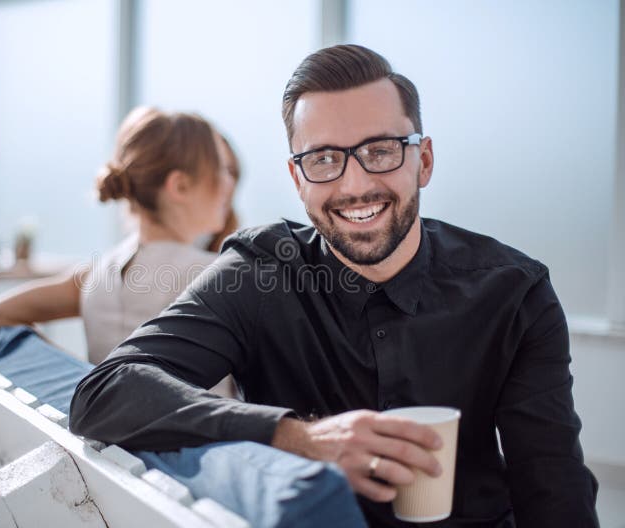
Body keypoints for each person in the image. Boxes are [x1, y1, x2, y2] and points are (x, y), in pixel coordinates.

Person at [69, 45, 599, 526]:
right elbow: (104, 393)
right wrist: (298, 436)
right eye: (323, 159)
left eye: (381, 149)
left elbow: (553, 489)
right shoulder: (259, 272)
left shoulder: (514, 292)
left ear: (424, 160)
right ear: (298, 180)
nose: (354, 184)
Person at [0, 106, 237, 365]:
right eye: (222, 169)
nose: (230, 184)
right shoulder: (218, 276)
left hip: (104, 408)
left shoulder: (96, 275)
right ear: (180, 186)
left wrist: (81, 378)